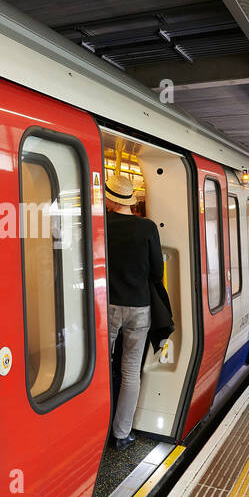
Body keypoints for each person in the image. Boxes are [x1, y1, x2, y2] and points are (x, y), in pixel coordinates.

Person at [104, 172, 163, 449]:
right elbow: (157, 271)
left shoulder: (102, 224)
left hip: (108, 306)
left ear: (110, 198)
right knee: (130, 372)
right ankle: (121, 433)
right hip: (139, 307)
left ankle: (98, 429)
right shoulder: (147, 227)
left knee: (101, 368)